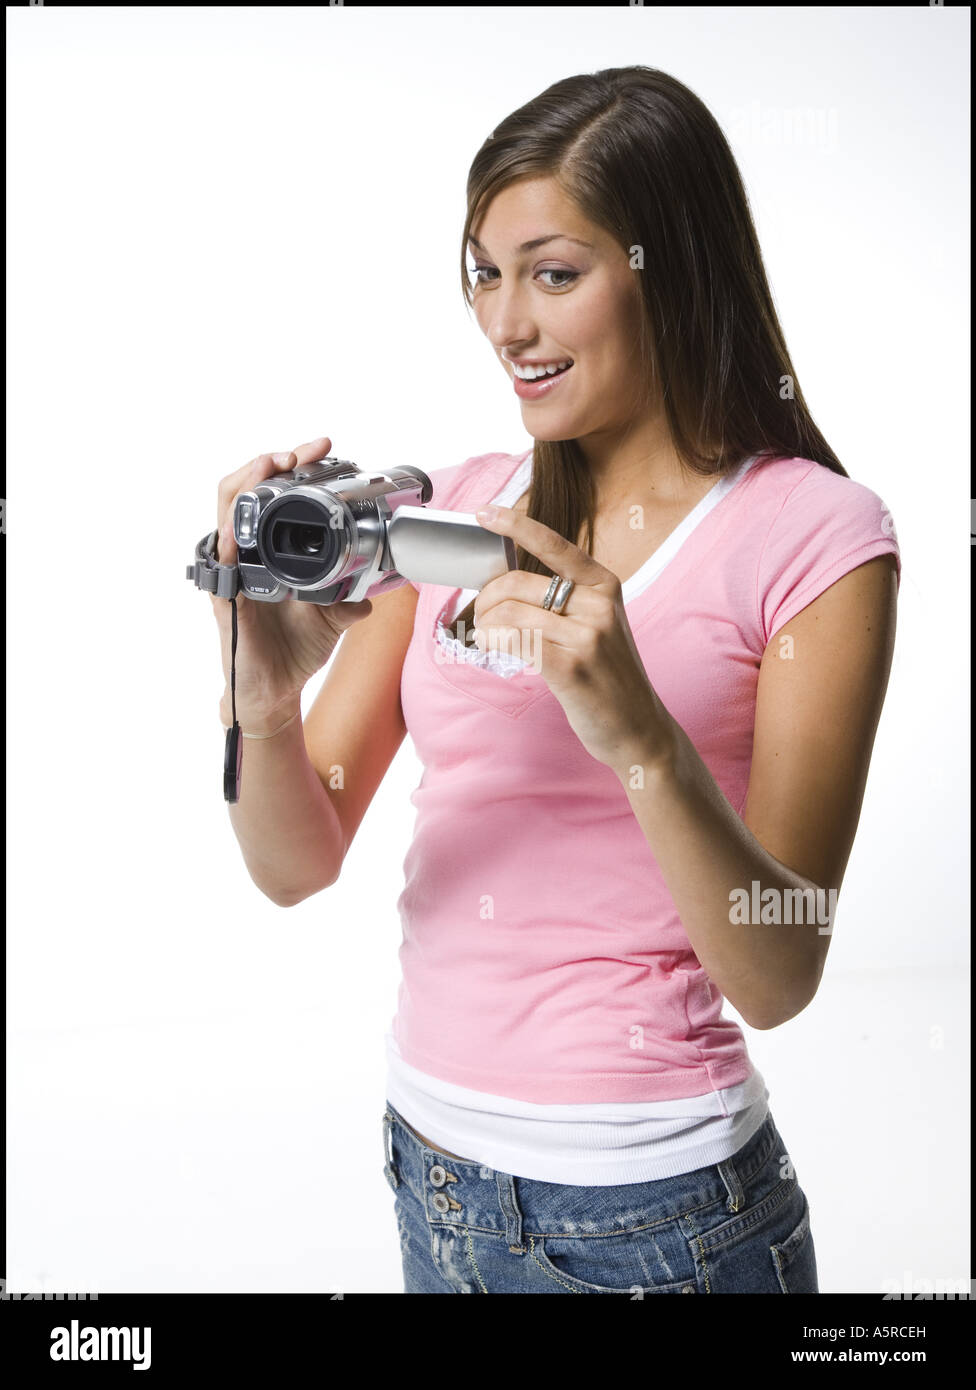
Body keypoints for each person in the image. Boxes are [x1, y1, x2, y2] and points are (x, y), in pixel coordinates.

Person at [209, 67, 900, 1294]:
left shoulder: (816, 537)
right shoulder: (456, 512)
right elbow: (293, 863)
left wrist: (638, 735)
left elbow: (780, 972)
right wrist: (260, 700)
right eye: (482, 271)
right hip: (431, 1168)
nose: (503, 324)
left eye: (553, 272)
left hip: (659, 1219)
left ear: (668, 267)